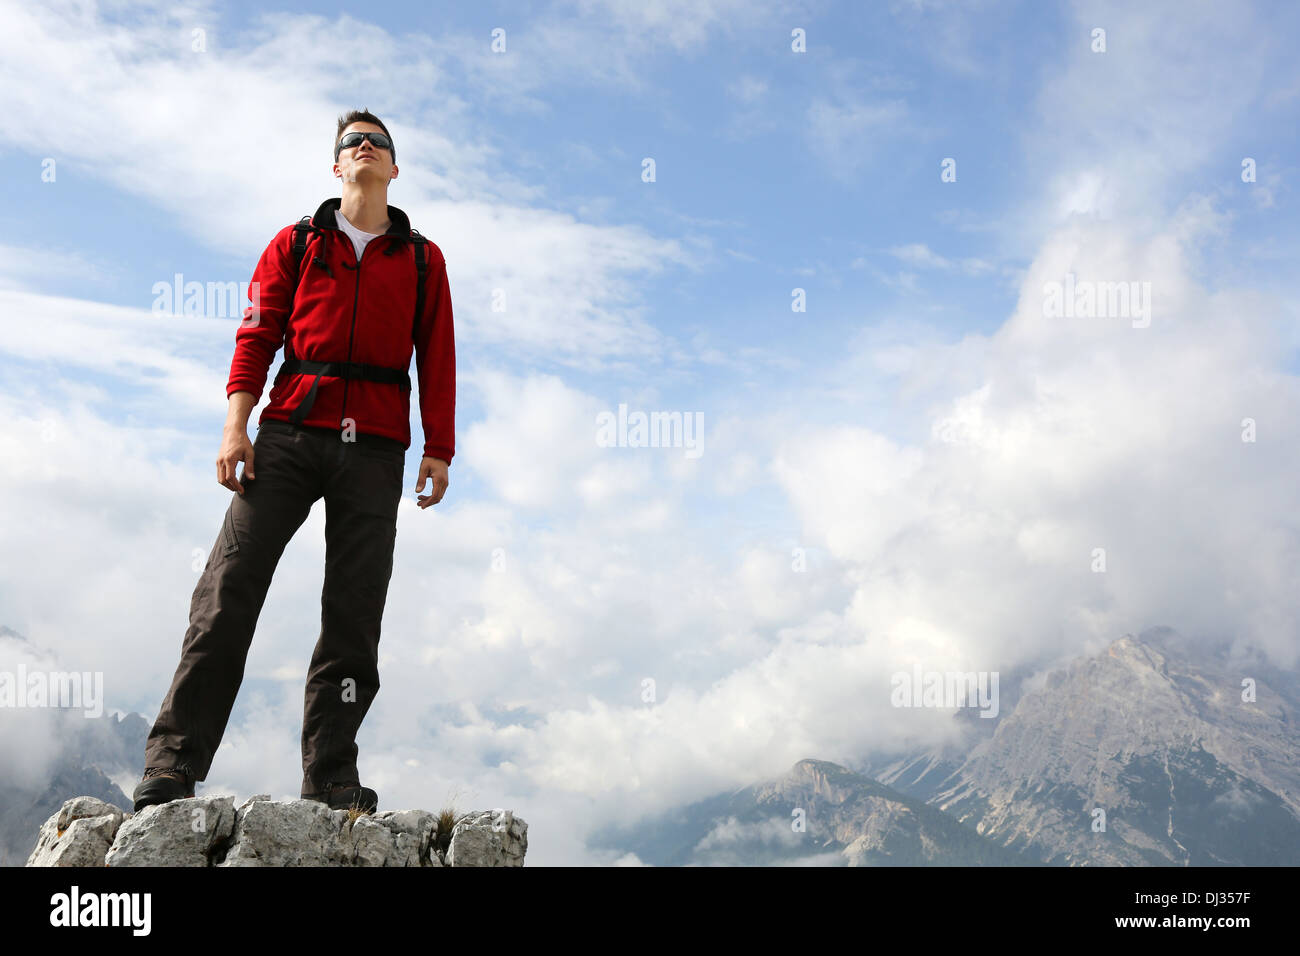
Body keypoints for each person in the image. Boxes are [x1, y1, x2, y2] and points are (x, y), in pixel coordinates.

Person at [132, 109, 456, 814]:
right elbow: (256, 334)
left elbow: (437, 358)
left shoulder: (424, 261)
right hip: (287, 433)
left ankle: (331, 777)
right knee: (227, 590)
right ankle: (172, 765)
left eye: (377, 143)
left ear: (395, 169)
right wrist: (234, 427)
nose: (363, 148)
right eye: (350, 143)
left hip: (375, 447)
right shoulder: (296, 243)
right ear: (336, 167)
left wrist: (439, 447)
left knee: (354, 612)